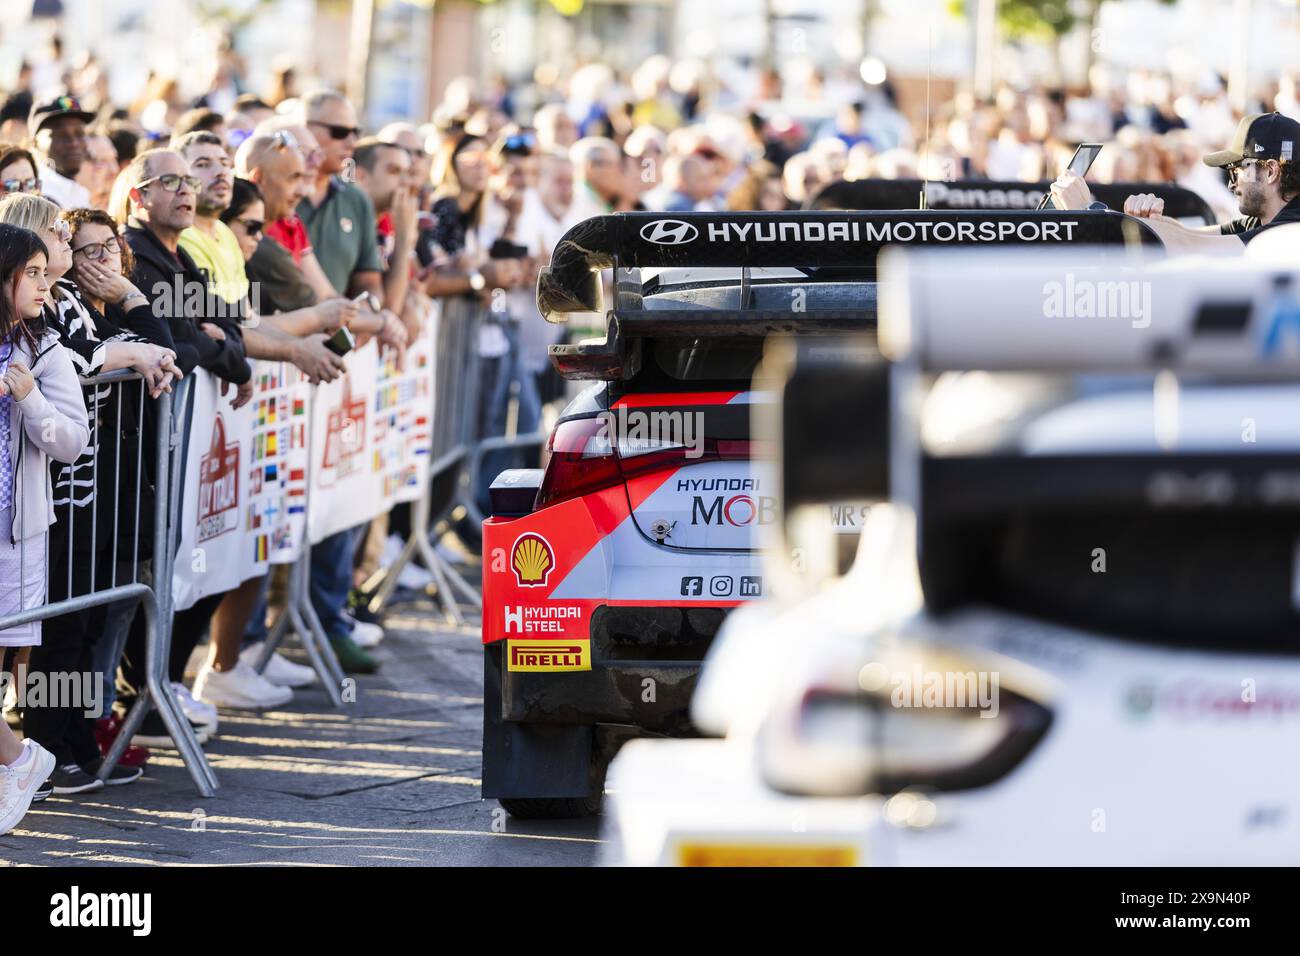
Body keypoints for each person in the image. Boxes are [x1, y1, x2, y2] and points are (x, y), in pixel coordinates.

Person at [0, 223, 91, 799]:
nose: (43, 283)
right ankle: (19, 759)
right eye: (29, 273)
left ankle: (20, 759)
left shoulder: (47, 350)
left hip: (13, 532)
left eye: (44, 271)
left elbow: (72, 441)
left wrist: (30, 399)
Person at [1052, 112, 1300, 254]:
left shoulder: (1289, 231)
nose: (1232, 185)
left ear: (1270, 172)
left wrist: (1089, 212)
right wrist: (1147, 221)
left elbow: (1188, 245)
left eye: (1236, 171)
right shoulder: (1269, 218)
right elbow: (1187, 233)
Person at [28, 94, 94, 209]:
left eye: (80, 134)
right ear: (35, 142)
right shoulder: (37, 196)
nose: (74, 143)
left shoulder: (81, 192)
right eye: (61, 135)